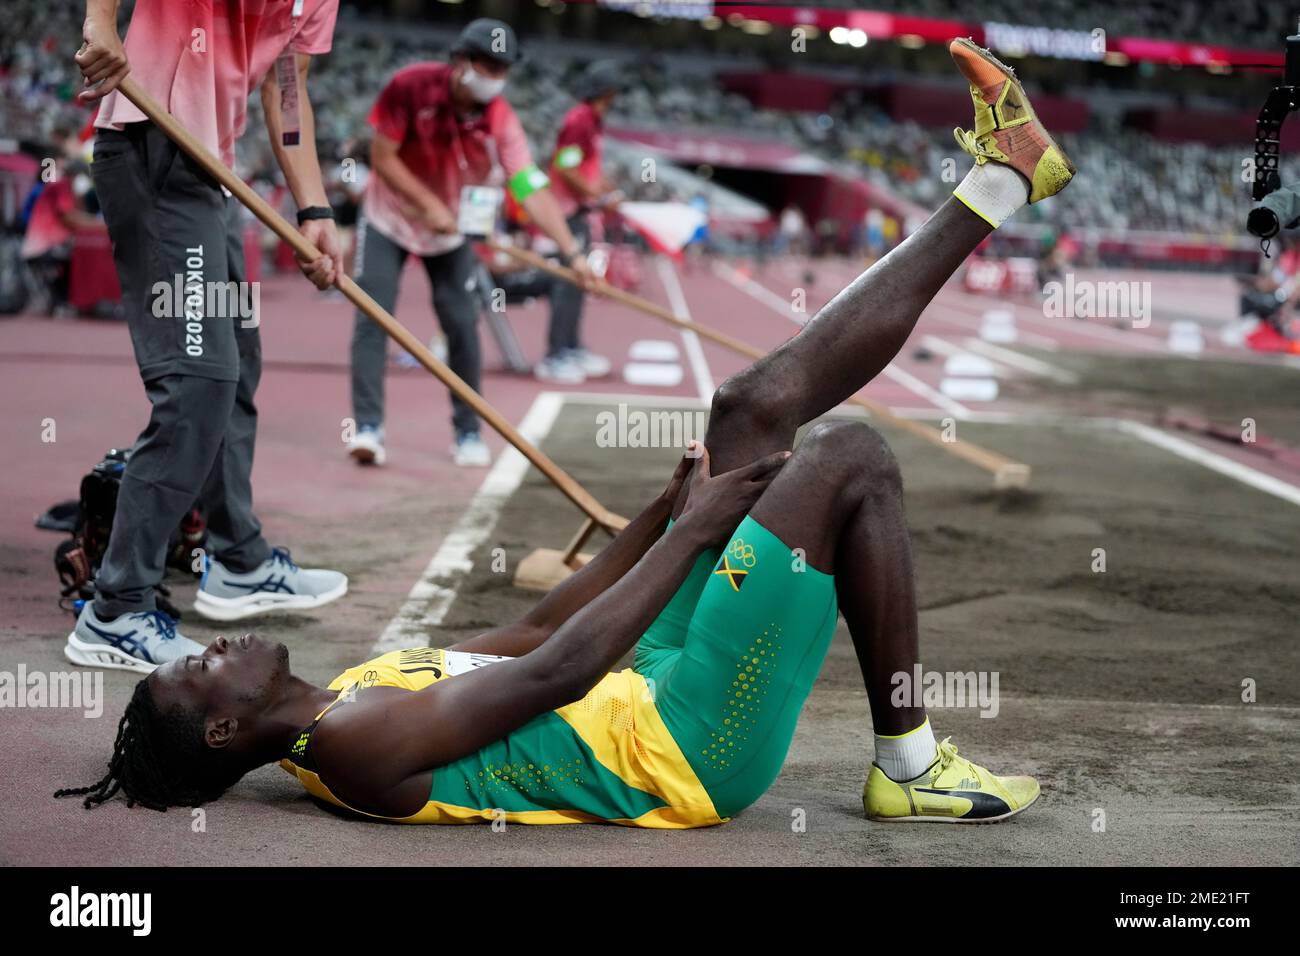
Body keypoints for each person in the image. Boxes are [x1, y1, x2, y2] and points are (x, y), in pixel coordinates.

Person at [59, 41, 1075, 824]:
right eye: (197, 671)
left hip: (639, 682)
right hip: (683, 743)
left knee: (743, 414)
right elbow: (554, 677)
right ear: (226, 726)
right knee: (849, 455)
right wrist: (691, 533)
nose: (208, 646)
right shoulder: (356, 747)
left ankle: (997, 176)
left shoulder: (357, 688)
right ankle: (910, 765)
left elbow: (537, 635)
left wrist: (660, 511)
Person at [65, 0, 349, 674]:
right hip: (153, 145)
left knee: (236, 368)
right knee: (198, 380)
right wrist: (100, 23)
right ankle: (117, 609)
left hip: (210, 174)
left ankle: (235, 560)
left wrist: (312, 209)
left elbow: (288, 91)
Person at [346, 19, 592, 469]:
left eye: (503, 69)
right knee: (373, 314)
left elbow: (530, 188)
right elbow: (382, 157)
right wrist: (426, 204)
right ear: (460, 61)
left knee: (461, 323)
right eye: (487, 65)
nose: (495, 76)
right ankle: (367, 427)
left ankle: (468, 430)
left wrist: (572, 253)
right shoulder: (409, 86)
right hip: (389, 219)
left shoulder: (502, 121)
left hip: (451, 232)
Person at [533, 59, 625, 385]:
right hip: (565, 213)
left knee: (578, 283)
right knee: (567, 284)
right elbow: (566, 169)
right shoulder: (579, 120)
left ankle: (571, 347)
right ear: (607, 91)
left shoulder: (593, 121)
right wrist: (598, 197)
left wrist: (609, 192)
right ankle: (555, 354)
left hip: (579, 212)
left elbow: (587, 171)